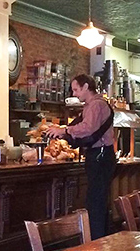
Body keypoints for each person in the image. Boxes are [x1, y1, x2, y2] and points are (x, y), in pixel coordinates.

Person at [44, 74, 115, 238]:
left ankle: (97, 241)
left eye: (76, 90)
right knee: (98, 200)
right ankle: (100, 239)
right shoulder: (93, 105)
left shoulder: (96, 104)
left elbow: (88, 128)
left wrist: (65, 130)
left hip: (100, 155)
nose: (74, 94)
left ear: (86, 87)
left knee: (95, 202)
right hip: (101, 155)